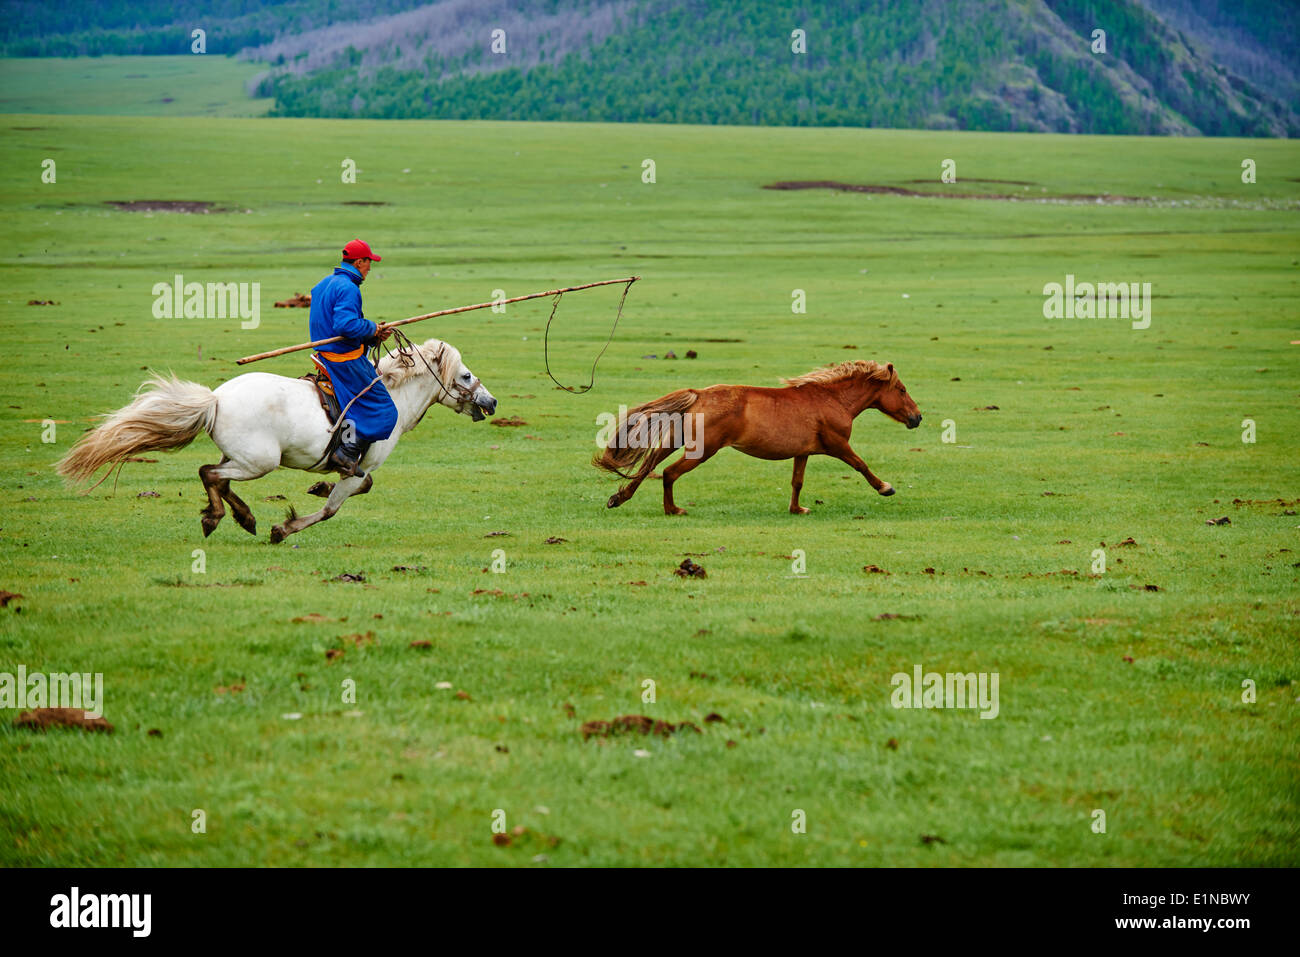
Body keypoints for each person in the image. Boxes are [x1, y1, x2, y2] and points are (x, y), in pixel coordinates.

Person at [308, 239, 396, 477]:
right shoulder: (348, 288)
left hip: (327, 353)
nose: (370, 267)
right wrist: (371, 327)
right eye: (369, 262)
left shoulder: (324, 283)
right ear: (359, 262)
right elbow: (345, 325)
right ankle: (346, 454)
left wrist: (373, 334)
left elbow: (335, 327)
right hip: (343, 359)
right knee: (385, 409)